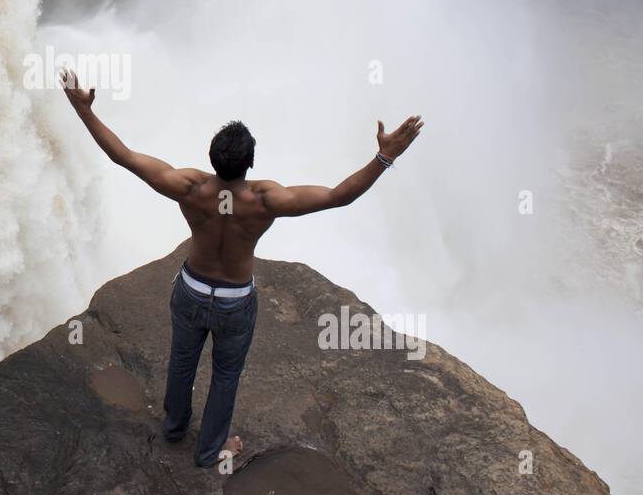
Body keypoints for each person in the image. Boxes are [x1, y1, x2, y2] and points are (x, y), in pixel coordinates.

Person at [59, 67, 423, 466]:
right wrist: (385, 156)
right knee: (225, 376)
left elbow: (123, 156)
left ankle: (174, 427)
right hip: (234, 301)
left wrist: (85, 111)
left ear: (210, 157)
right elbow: (339, 196)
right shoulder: (265, 201)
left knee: (182, 361)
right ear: (251, 162)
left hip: (192, 290)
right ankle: (212, 450)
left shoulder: (189, 187)